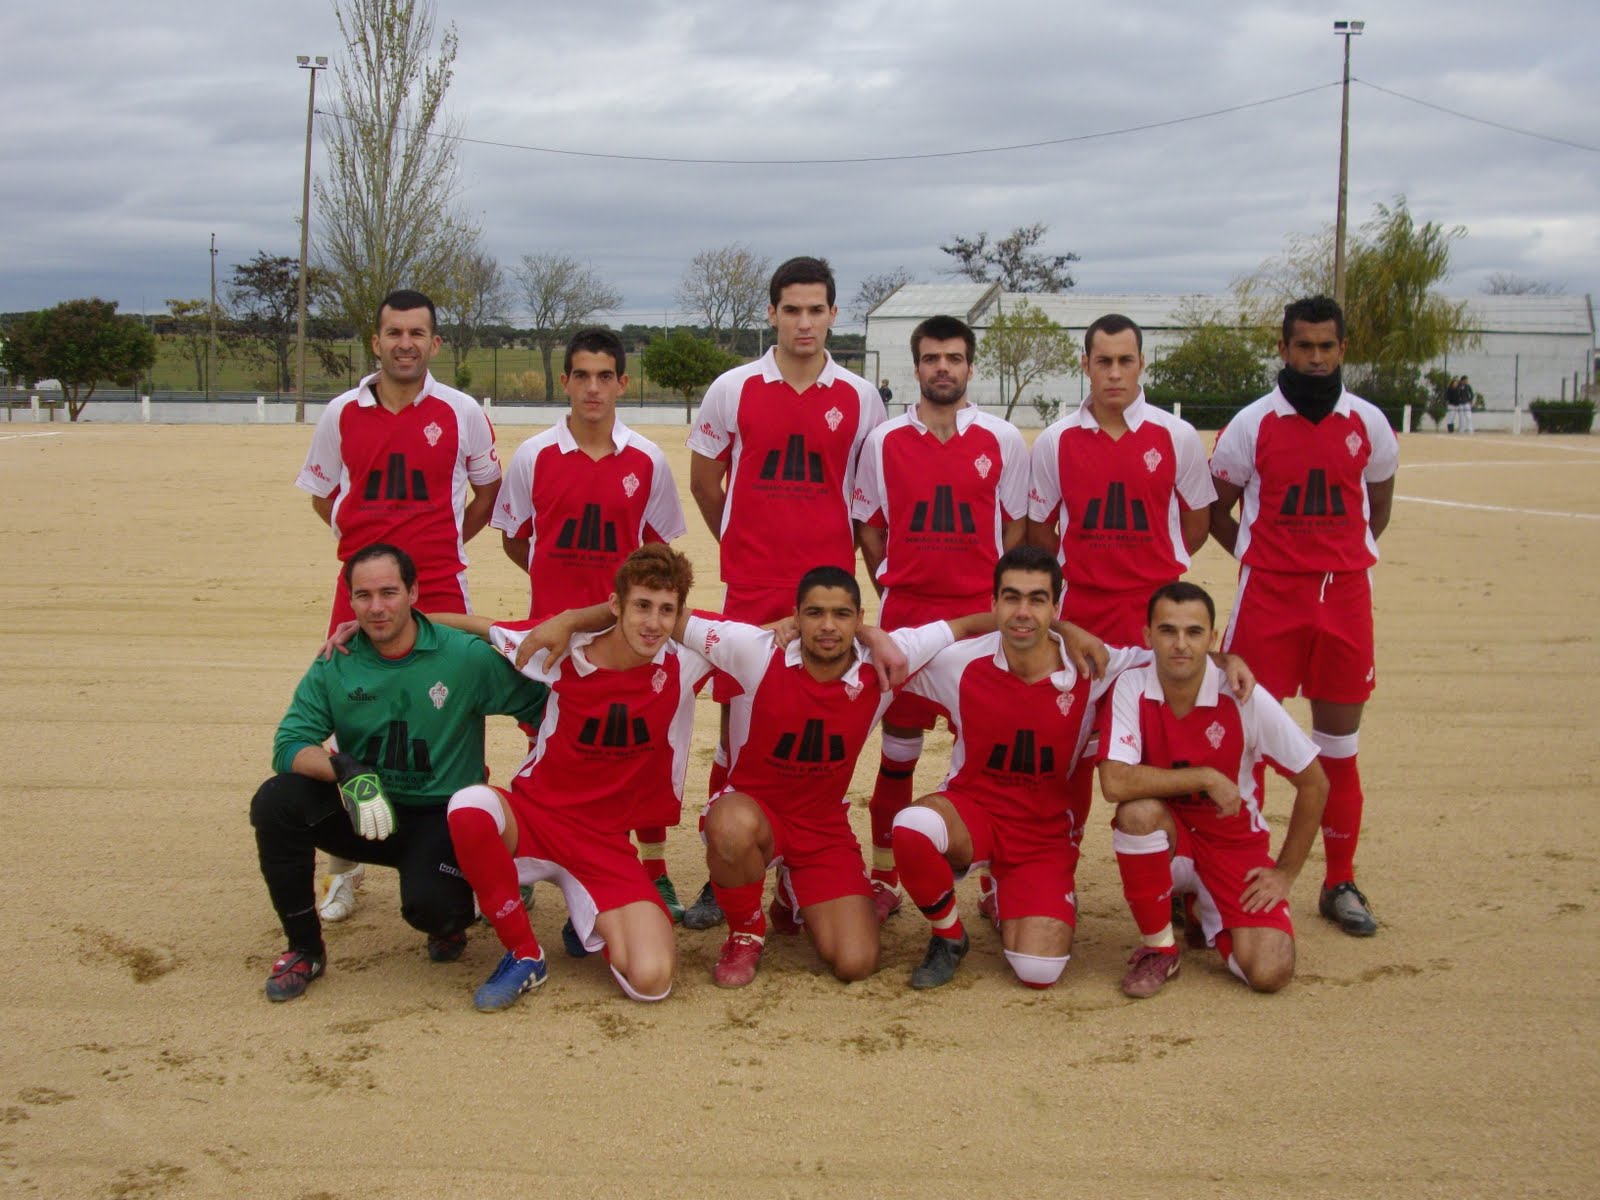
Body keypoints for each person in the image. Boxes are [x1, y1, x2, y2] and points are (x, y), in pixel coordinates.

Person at [889, 547, 1222, 991]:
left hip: (1044, 836)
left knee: (1038, 970)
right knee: (912, 828)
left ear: (1057, 608)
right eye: (1011, 598)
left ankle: (1017, 894)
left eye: (1037, 600)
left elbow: (1173, 659)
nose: (1023, 611)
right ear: (993, 603)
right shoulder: (961, 661)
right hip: (974, 813)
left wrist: (1228, 662)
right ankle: (949, 935)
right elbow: (886, 653)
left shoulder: (1093, 666)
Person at [249, 543, 549, 1003]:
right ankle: (304, 949)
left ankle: (454, 912)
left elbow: (542, 709)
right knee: (276, 801)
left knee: (435, 910)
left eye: (388, 593)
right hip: (367, 807)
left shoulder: (462, 657)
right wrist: (344, 768)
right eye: (363, 596)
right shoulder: (337, 660)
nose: (376, 607)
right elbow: (289, 744)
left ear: (413, 593)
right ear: (350, 601)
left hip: (439, 818)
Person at [683, 255, 887, 928]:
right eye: (791, 309)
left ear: (833, 315)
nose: (804, 322)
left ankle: (802, 862)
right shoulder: (733, 388)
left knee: (814, 726)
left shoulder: (860, 397)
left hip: (826, 593)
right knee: (736, 733)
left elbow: (865, 498)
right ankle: (724, 868)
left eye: (816, 310)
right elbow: (705, 482)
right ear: (771, 313)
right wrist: (741, 540)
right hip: (753, 585)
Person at [295, 288, 503, 922]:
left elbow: (487, 492)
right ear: (376, 341)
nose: (405, 344)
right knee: (350, 718)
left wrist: (443, 543)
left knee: (456, 718)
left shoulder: (462, 411)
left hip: (439, 587)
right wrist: (366, 556)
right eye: (394, 333)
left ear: (434, 343)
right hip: (360, 593)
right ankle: (346, 869)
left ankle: (465, 856)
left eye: (417, 333)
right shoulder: (340, 412)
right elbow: (323, 496)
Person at [440, 545, 710, 1010]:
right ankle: (524, 953)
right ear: (615, 605)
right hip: (535, 818)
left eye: (666, 610)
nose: (653, 622)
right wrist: (385, 624)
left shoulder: (685, 662)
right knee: (469, 806)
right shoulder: (561, 648)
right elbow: (479, 627)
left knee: (651, 980)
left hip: (604, 843)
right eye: (642, 606)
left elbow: (759, 638)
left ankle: (587, 916)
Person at [692, 568, 988, 989]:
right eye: (815, 613)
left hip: (822, 828)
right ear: (796, 616)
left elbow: (971, 624)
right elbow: (673, 619)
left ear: (859, 618)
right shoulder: (755, 649)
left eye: (842, 615)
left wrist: (1066, 633)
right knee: (730, 825)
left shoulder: (886, 657)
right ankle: (746, 931)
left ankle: (790, 892)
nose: (828, 626)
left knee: (856, 962)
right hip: (754, 813)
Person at [1209, 295, 1399, 937]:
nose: (1315, 358)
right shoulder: (1252, 424)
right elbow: (1215, 509)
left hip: (1344, 598)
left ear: (1342, 349)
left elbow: (1377, 507)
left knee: (1338, 746)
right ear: (1284, 349)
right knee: (1248, 743)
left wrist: (1335, 559)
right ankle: (1240, 871)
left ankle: (1339, 881)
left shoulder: (1369, 422)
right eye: (1303, 346)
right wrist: (1260, 558)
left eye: (1326, 346)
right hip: (1269, 598)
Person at [491, 327, 689, 924]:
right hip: (552, 635)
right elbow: (516, 539)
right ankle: (532, 852)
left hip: (624, 636)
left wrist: (616, 610)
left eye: (605, 376)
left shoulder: (648, 459)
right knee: (544, 742)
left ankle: (652, 866)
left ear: (622, 383)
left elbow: (659, 556)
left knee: (637, 748)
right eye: (582, 375)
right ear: (566, 381)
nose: (593, 388)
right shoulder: (533, 455)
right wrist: (557, 602)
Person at [1022, 313, 1216, 917]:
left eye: (1124, 361)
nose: (1113, 372)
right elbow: (1040, 530)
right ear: (1085, 364)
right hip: (1085, 623)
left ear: (1141, 364)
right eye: (1102, 361)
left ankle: (1182, 878)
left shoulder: (1175, 436)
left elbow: (1196, 522)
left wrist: (1157, 570)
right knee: (1070, 756)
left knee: (1165, 755)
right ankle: (1053, 872)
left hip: (1155, 624)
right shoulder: (1055, 441)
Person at [854, 315, 1029, 924]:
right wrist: (894, 580)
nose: (943, 368)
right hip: (907, 619)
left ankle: (991, 880)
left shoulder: (1003, 439)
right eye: (932, 358)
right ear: (917, 367)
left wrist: (995, 601)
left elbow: (1015, 527)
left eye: (954, 358)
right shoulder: (883, 441)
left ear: (970, 366)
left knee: (984, 761)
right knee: (897, 753)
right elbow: (870, 528)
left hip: (981, 625)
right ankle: (884, 877)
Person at [1098, 582, 1329, 998]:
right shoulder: (1131, 686)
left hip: (1232, 845)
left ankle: (1200, 907)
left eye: (1194, 632)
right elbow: (1114, 781)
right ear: (1148, 636)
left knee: (1270, 972)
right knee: (1137, 813)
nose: (1180, 644)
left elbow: (1314, 782)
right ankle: (1160, 949)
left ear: (1213, 638)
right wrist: (1204, 776)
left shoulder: (1243, 695)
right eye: (1167, 631)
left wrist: (1285, 873)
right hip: (1170, 837)